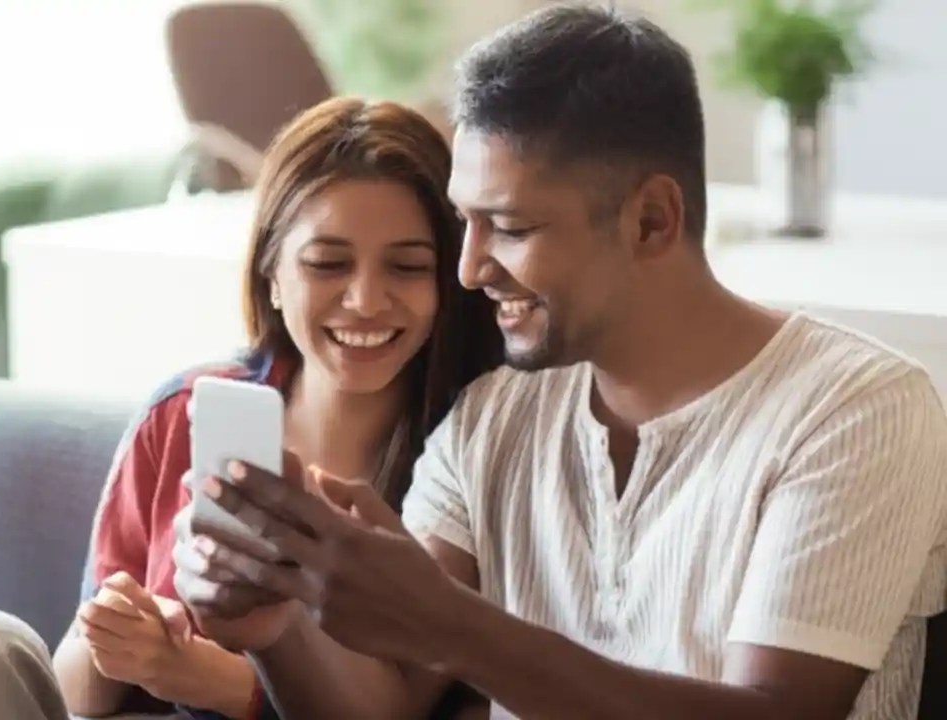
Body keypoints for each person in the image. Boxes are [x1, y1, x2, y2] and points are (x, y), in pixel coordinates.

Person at [171, 5, 947, 720]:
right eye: (466, 224)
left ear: (651, 220)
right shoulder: (493, 418)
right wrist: (278, 630)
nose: (470, 269)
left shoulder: (857, 409)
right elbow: (386, 704)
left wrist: (456, 627)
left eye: (510, 227)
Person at [0, 96, 501, 720]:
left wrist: (223, 683)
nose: (366, 300)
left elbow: (408, 706)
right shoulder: (180, 416)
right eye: (328, 264)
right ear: (272, 276)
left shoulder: (470, 459)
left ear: (449, 282)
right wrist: (124, 637)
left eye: (408, 268)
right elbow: (74, 694)